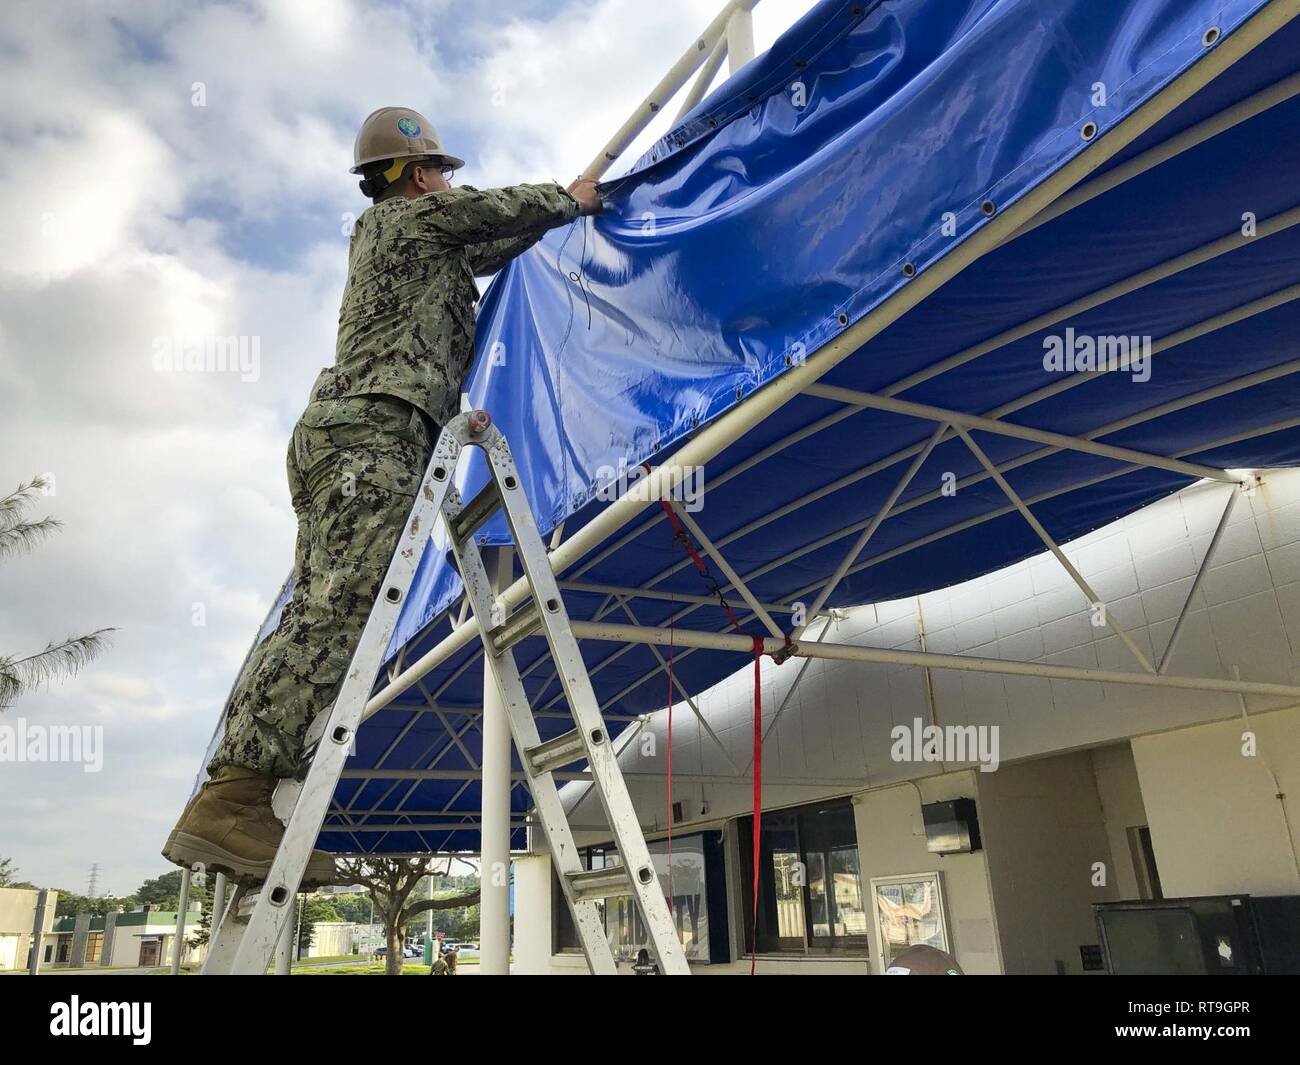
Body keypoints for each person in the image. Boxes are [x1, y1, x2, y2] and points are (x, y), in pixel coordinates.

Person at [164, 106, 603, 883]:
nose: (443, 182)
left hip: (352, 432)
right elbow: (493, 213)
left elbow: (493, 242)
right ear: (413, 176)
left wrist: (550, 222)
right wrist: (569, 199)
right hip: (373, 436)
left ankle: (243, 802)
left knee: (319, 607)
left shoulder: (410, 245)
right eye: (435, 171)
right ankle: (230, 797)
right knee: (339, 608)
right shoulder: (404, 225)